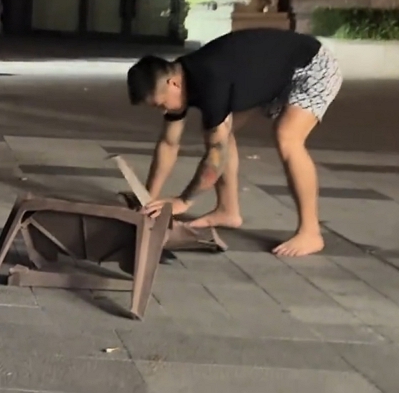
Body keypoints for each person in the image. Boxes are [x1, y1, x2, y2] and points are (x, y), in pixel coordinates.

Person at [126, 28, 342, 257]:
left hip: (313, 66)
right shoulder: (179, 78)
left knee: (287, 137)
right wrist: (148, 200)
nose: (163, 111)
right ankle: (227, 211)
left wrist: (184, 201)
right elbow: (168, 143)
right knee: (221, 134)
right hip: (269, 71)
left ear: (173, 84)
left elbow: (216, 155)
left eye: (161, 104)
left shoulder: (210, 82)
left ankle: (311, 232)